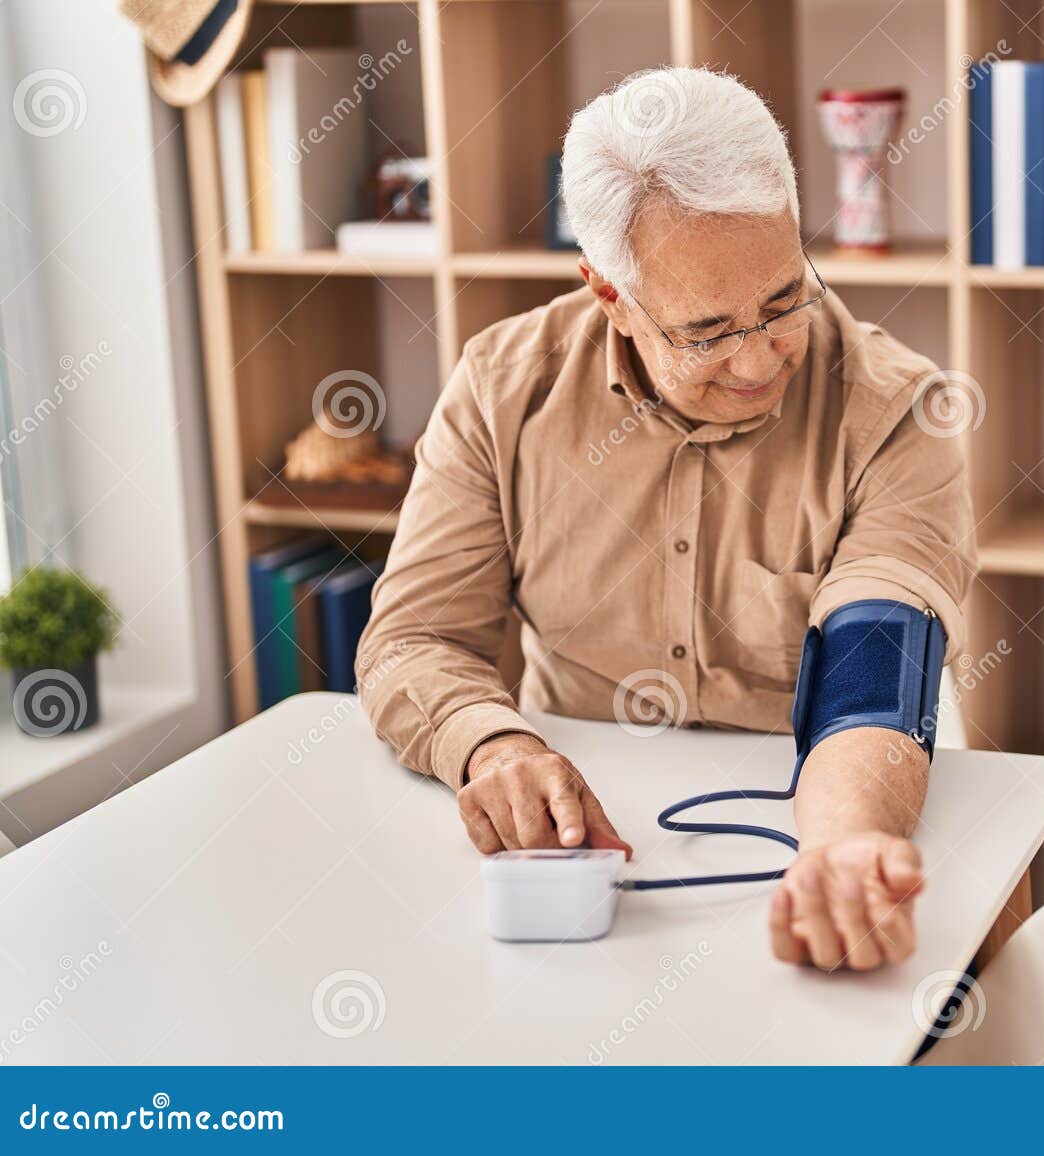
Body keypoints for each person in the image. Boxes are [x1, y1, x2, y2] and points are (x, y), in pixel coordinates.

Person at [357, 67, 976, 972]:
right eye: (708, 330)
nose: (761, 358)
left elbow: (872, 671)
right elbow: (412, 639)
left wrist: (842, 847)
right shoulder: (502, 387)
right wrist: (493, 745)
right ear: (609, 293)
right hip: (590, 854)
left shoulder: (898, 411)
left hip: (829, 813)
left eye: (782, 301)